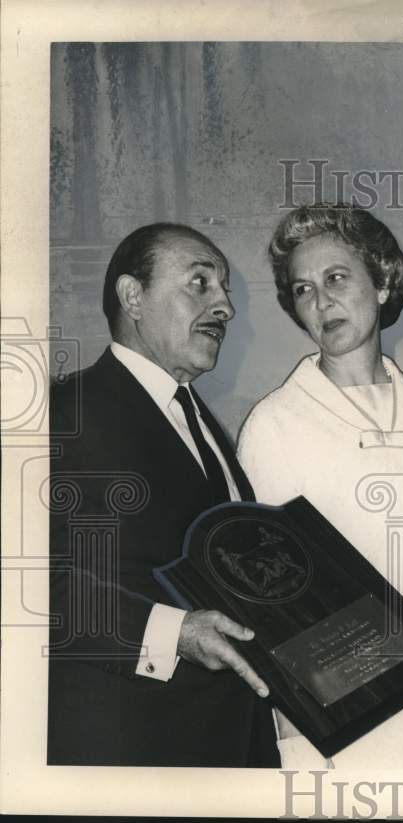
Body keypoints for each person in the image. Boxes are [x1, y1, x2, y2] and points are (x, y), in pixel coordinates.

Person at [237, 203, 403, 769]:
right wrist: (299, 755)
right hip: (333, 724)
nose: (320, 301)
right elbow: (271, 611)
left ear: (382, 281)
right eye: (303, 290)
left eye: (336, 278)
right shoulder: (274, 426)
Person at [48, 224, 278, 767]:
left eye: (224, 290)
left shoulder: (202, 421)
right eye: (200, 282)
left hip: (231, 752)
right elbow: (27, 586)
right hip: (129, 755)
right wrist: (174, 633)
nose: (225, 306)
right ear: (133, 297)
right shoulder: (63, 415)